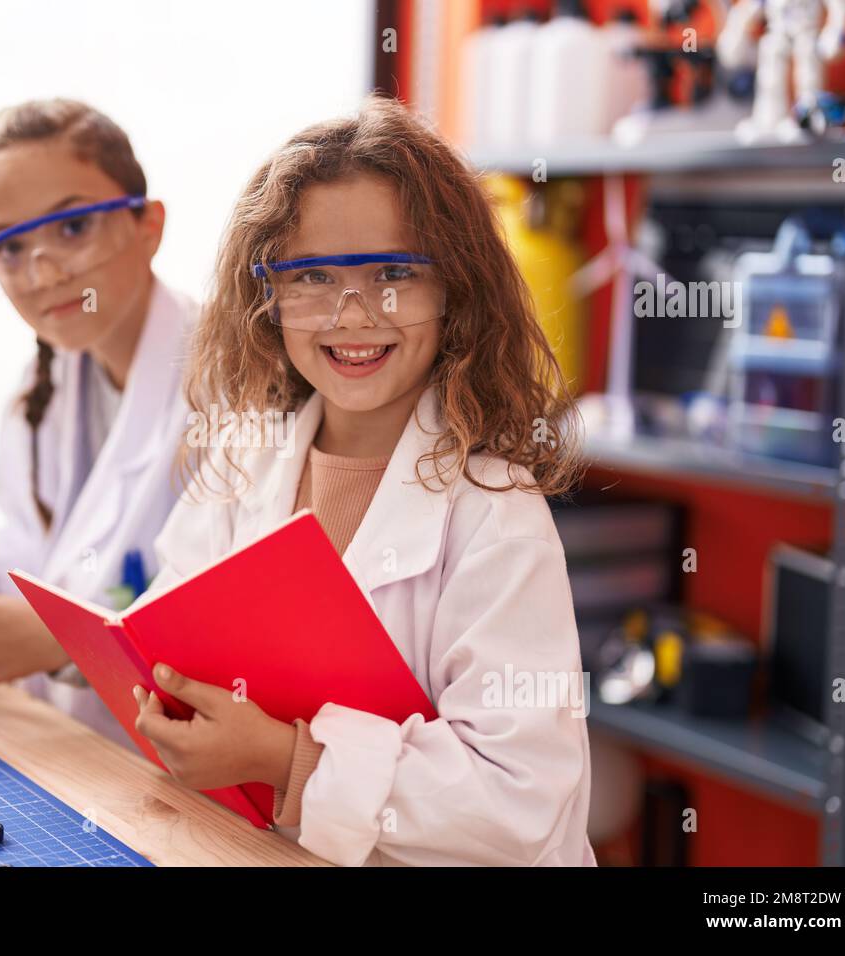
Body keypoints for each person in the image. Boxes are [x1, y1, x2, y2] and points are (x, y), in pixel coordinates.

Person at [130, 97, 596, 866]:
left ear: (456, 291)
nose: (352, 313)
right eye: (311, 274)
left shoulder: (496, 515)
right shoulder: (243, 464)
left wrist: (289, 762)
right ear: (267, 297)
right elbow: (161, 641)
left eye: (393, 273)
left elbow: (520, 802)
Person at [0, 99, 196, 749]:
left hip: (195, 787)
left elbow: (239, 633)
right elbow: (25, 557)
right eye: (9, 248)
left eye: (71, 229)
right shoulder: (41, 391)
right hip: (77, 751)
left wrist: (64, 644)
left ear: (148, 224)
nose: (43, 272)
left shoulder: (231, 388)